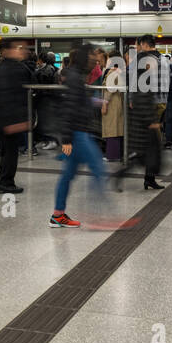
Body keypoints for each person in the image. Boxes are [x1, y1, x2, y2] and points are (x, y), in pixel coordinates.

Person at [48, 47, 109, 227]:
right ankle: (96, 216)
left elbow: (79, 102)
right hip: (77, 134)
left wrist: (98, 102)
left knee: (67, 175)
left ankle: (58, 215)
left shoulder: (76, 76)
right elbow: (67, 109)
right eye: (92, 59)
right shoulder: (74, 78)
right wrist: (66, 139)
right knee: (98, 167)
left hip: (76, 133)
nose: (95, 63)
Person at [116, 35, 164, 190]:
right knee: (144, 148)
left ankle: (148, 178)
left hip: (148, 107)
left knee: (148, 147)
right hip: (148, 109)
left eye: (137, 46)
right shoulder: (154, 60)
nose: (136, 49)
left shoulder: (146, 61)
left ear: (143, 44)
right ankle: (124, 174)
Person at [0, 40, 33, 194]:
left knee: (7, 151)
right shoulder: (13, 69)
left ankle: (4, 180)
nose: (22, 51)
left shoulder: (4, 67)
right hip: (8, 120)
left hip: (2, 119)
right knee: (10, 152)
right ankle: (5, 183)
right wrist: (14, 122)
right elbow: (8, 97)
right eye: (18, 48)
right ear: (8, 51)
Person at [101, 51, 125, 162]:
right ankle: (118, 153)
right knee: (117, 127)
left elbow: (109, 90)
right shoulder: (121, 71)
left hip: (112, 102)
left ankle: (112, 155)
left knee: (112, 128)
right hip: (118, 101)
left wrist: (104, 104)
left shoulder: (112, 72)